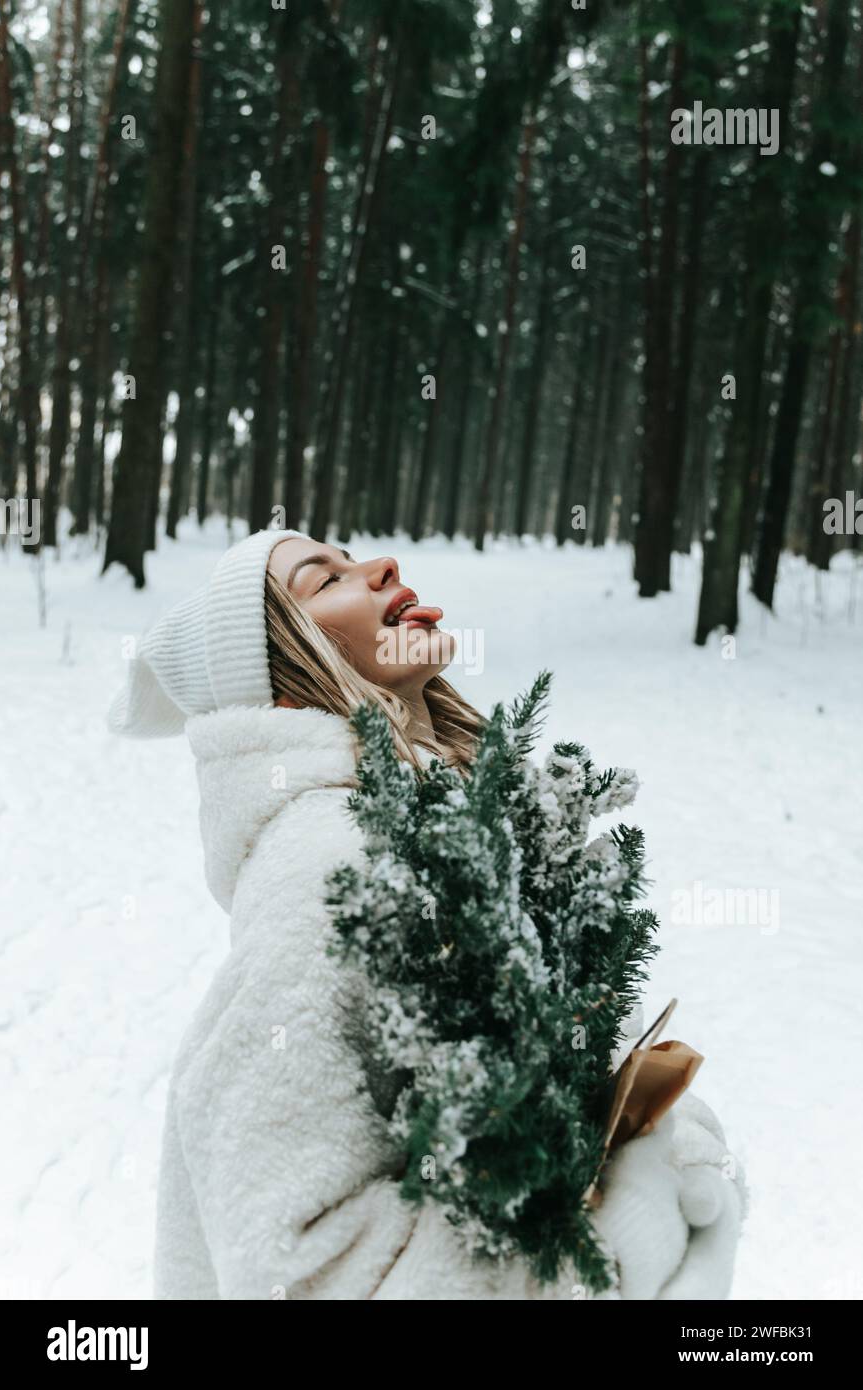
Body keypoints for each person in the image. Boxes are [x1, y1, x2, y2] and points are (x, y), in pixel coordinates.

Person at [107, 527, 749, 1300]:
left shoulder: (469, 830)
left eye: (354, 559)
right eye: (325, 579)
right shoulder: (328, 864)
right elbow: (296, 1270)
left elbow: (587, 1071)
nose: (382, 566)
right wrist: (610, 1258)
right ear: (284, 685)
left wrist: (675, 1152)